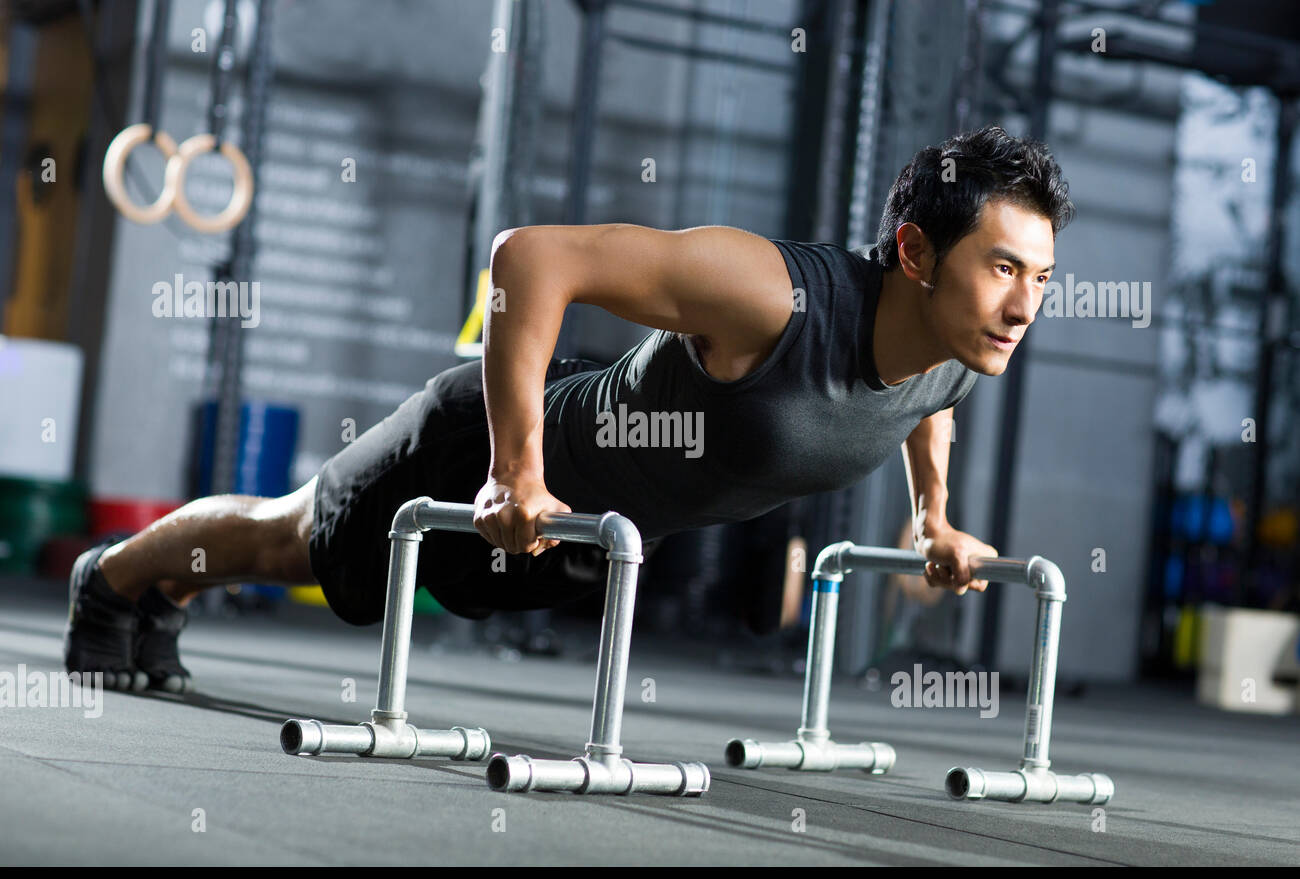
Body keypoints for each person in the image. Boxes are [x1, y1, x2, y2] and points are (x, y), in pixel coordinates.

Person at [64, 125, 1072, 693]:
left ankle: (162, 601)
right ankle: (113, 581)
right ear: (912, 254)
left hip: (573, 537)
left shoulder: (958, 346)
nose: (1025, 305)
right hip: (489, 453)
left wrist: (933, 515)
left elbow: (925, 405)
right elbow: (528, 256)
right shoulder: (775, 294)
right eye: (1000, 267)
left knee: (308, 560)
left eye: (1038, 274)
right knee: (291, 543)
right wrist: (515, 463)